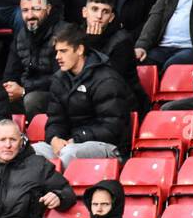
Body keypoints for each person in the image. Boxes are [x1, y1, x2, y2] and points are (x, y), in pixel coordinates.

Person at [33, 23, 132, 168]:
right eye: (57, 51)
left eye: (63, 51)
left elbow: (112, 128)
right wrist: (54, 139)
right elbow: (55, 120)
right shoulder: (59, 80)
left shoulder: (106, 79)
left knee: (70, 153)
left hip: (108, 147)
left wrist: (77, 139)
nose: (57, 57)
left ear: (79, 49)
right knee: (34, 151)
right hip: (71, 143)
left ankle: (58, 189)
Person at [3, 0, 60, 120]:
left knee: (31, 100)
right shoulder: (21, 35)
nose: (30, 15)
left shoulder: (61, 34)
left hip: (52, 95)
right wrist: (9, 88)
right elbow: (10, 73)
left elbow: (59, 79)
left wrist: (24, 90)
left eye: (36, 9)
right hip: (25, 91)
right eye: (25, 10)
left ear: (48, 9)